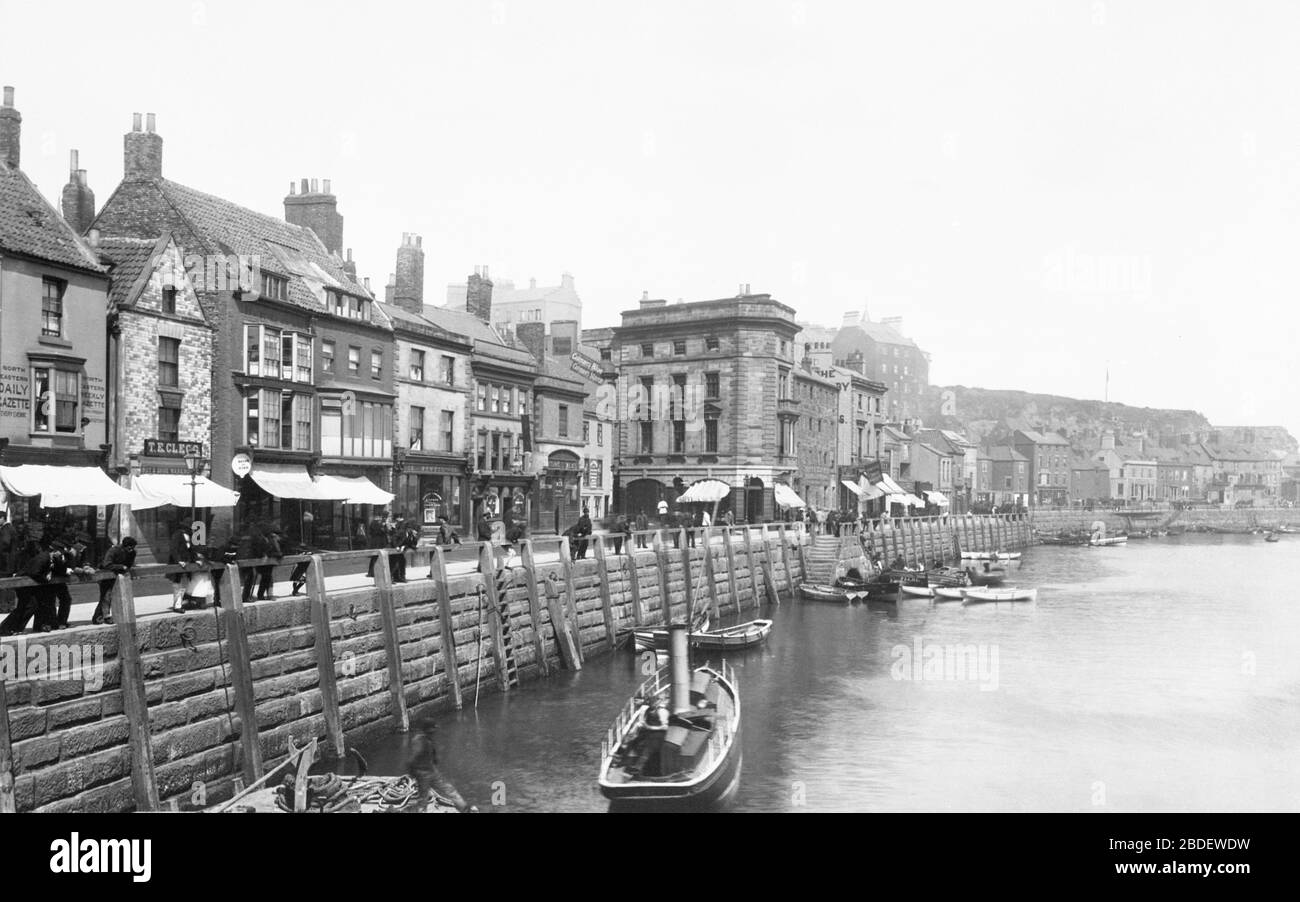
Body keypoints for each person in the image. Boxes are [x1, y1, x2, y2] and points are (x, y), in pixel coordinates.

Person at [0, 542, 59, 635]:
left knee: (32, 605)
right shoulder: (43, 558)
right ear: (55, 551)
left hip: (29, 586)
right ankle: (6, 628)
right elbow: (34, 573)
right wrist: (45, 579)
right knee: (28, 606)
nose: (62, 553)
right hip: (23, 585)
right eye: (61, 551)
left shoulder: (48, 558)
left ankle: (15, 628)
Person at [93, 537, 137, 625]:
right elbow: (107, 564)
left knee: (116, 596)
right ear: (124, 546)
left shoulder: (132, 553)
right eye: (129, 548)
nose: (131, 550)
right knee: (106, 596)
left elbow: (129, 565)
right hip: (106, 575)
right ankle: (102, 617)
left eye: (133, 548)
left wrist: (125, 569)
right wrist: (121, 567)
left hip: (118, 576)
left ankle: (112, 615)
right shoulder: (114, 551)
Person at [168, 523, 198, 613]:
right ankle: (177, 606)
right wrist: (179, 560)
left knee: (185, 586)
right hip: (179, 565)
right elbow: (174, 549)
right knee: (177, 586)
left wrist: (196, 559)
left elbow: (191, 550)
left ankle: (183, 602)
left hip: (187, 564)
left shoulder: (189, 536)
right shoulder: (177, 535)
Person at [255, 522, 283, 600]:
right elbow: (270, 550)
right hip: (265, 562)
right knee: (267, 578)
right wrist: (277, 555)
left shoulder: (268, 539)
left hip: (267, 561)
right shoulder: (269, 539)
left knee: (267, 578)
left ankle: (263, 594)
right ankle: (265, 595)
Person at [390, 518, 419, 584]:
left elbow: (412, 544)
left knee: (402, 562)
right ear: (408, 528)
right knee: (394, 563)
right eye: (411, 529)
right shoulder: (401, 532)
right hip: (393, 548)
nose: (413, 530)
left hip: (400, 550)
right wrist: (397, 546)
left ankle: (400, 577)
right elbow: (394, 538)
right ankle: (390, 577)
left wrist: (414, 537)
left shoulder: (411, 534)